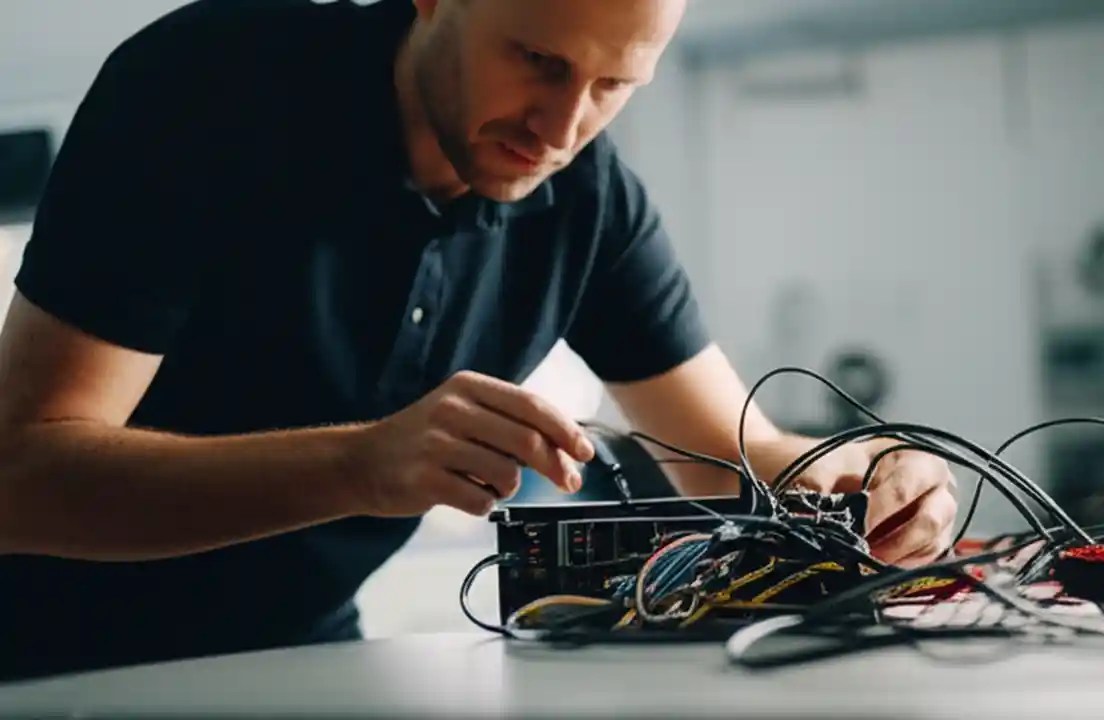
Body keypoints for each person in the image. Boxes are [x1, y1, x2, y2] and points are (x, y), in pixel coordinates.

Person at [0, 0, 957, 680]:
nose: (561, 127)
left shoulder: (590, 199)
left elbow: (736, 460)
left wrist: (857, 477)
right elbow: (20, 481)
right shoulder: (203, 86)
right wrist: (362, 466)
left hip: (303, 662)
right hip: (51, 668)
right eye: (538, 60)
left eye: (614, 83)